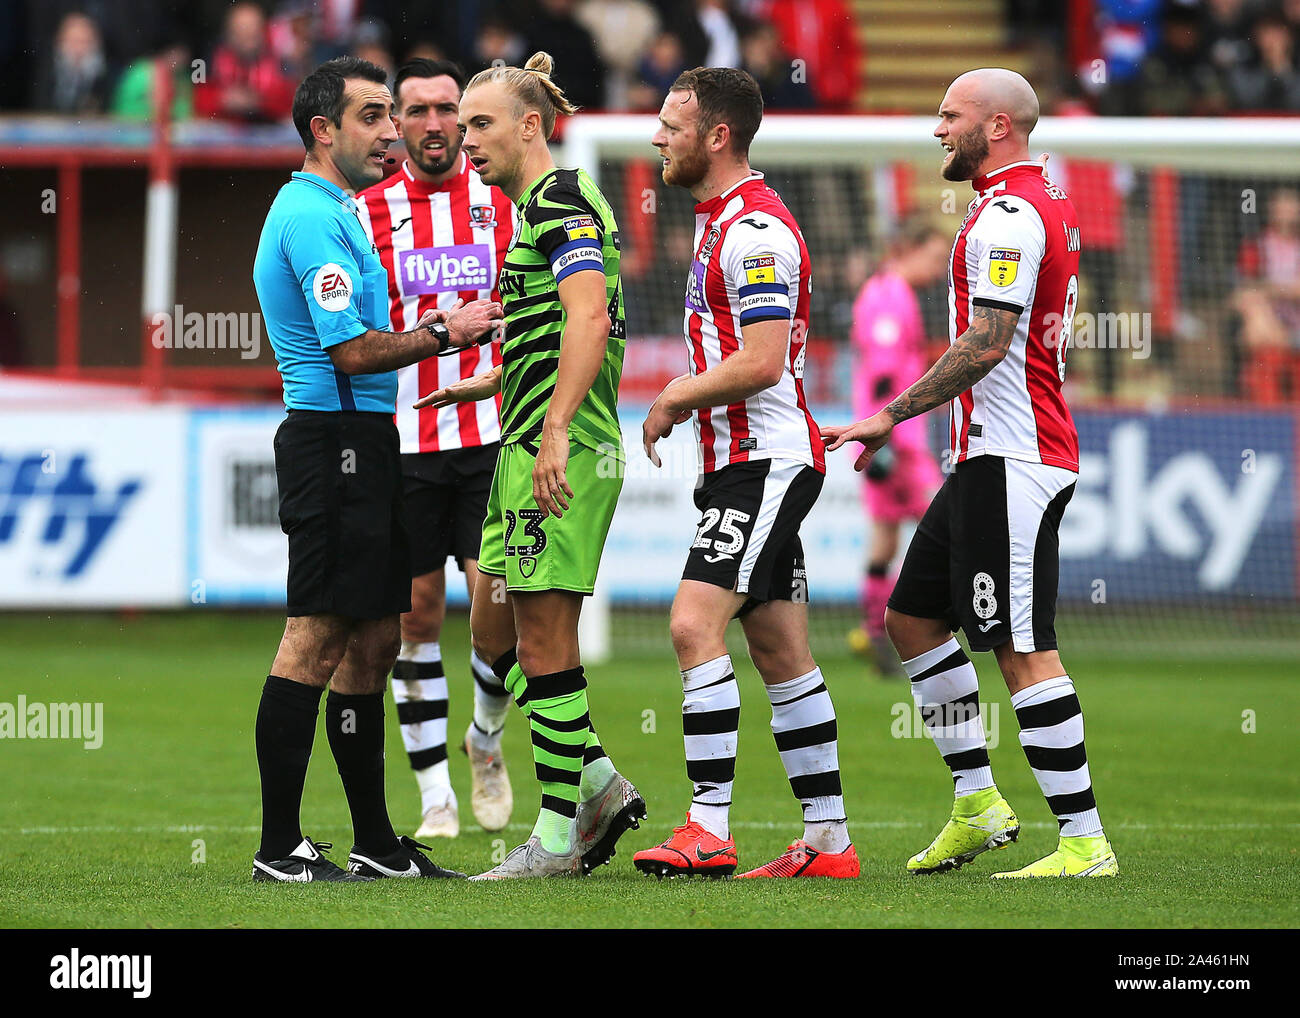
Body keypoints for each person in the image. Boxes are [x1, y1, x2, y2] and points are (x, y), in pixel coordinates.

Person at [822, 68, 1117, 879]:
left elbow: (988, 343)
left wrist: (889, 414)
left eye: (949, 115)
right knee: (913, 622)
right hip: (986, 456)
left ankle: (1086, 841)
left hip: (1016, 459)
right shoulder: (1032, 202)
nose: (936, 129)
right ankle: (979, 803)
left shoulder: (1009, 217)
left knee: (1022, 650)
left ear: (997, 127)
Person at [250, 55, 502, 882]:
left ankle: (377, 845)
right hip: (332, 445)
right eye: (372, 116)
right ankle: (279, 846)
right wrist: (445, 333)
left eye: (392, 113)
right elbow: (352, 352)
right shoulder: (312, 217)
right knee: (316, 635)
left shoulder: (343, 211)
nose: (393, 131)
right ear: (323, 130)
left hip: (368, 444)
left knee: (376, 642)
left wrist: (430, 325)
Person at [418, 51, 646, 879]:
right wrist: (499, 373)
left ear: (527, 126)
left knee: (545, 644)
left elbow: (589, 317)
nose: (462, 138)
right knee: (492, 626)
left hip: (562, 450)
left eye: (479, 124)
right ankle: (599, 783)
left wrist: (552, 430)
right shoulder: (536, 210)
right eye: (460, 123)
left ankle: (558, 837)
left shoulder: (558, 202)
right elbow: (563, 324)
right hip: (526, 441)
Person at [633, 66, 858, 880]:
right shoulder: (721, 220)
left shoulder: (755, 231)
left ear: (716, 135)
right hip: (748, 461)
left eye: (671, 124)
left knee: (693, 625)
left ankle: (707, 828)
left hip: (762, 461)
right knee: (779, 649)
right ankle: (829, 843)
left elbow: (762, 363)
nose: (657, 137)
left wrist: (674, 397)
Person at [354, 58, 518, 840]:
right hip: (406, 443)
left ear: (463, 117)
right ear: (396, 123)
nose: (430, 124)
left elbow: (533, 311)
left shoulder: (504, 205)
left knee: (501, 606)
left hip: (491, 436)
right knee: (414, 616)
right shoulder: (366, 213)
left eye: (445, 110)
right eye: (412, 111)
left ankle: (484, 741)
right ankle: (434, 798)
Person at [848, 219, 949, 677]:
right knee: (945, 527)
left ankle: (874, 633)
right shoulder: (890, 294)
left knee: (885, 539)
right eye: (933, 256)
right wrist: (881, 443)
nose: (938, 266)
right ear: (908, 249)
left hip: (885, 439)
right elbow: (884, 374)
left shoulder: (883, 291)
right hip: (897, 441)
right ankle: (935, 627)